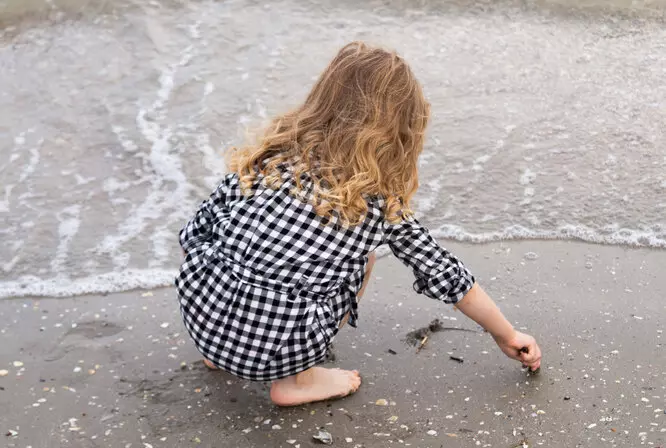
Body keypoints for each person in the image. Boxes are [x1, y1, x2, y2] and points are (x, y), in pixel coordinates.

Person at [175, 41, 542, 407]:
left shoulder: (269, 158)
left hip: (202, 315)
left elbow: (194, 232)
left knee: (230, 247)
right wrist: (506, 334)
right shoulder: (375, 203)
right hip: (277, 345)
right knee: (362, 259)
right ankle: (298, 381)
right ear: (397, 130)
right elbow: (443, 271)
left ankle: (220, 352)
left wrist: (223, 298)